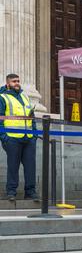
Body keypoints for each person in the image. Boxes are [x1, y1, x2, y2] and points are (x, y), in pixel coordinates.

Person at [0, 74, 39, 202]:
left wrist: (34, 133)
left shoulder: (24, 96)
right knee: (13, 166)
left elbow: (31, 115)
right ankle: (11, 192)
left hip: (28, 138)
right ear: (7, 84)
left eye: (18, 81)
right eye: (14, 81)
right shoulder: (2, 97)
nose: (17, 83)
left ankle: (30, 192)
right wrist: (3, 136)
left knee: (30, 166)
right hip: (12, 138)